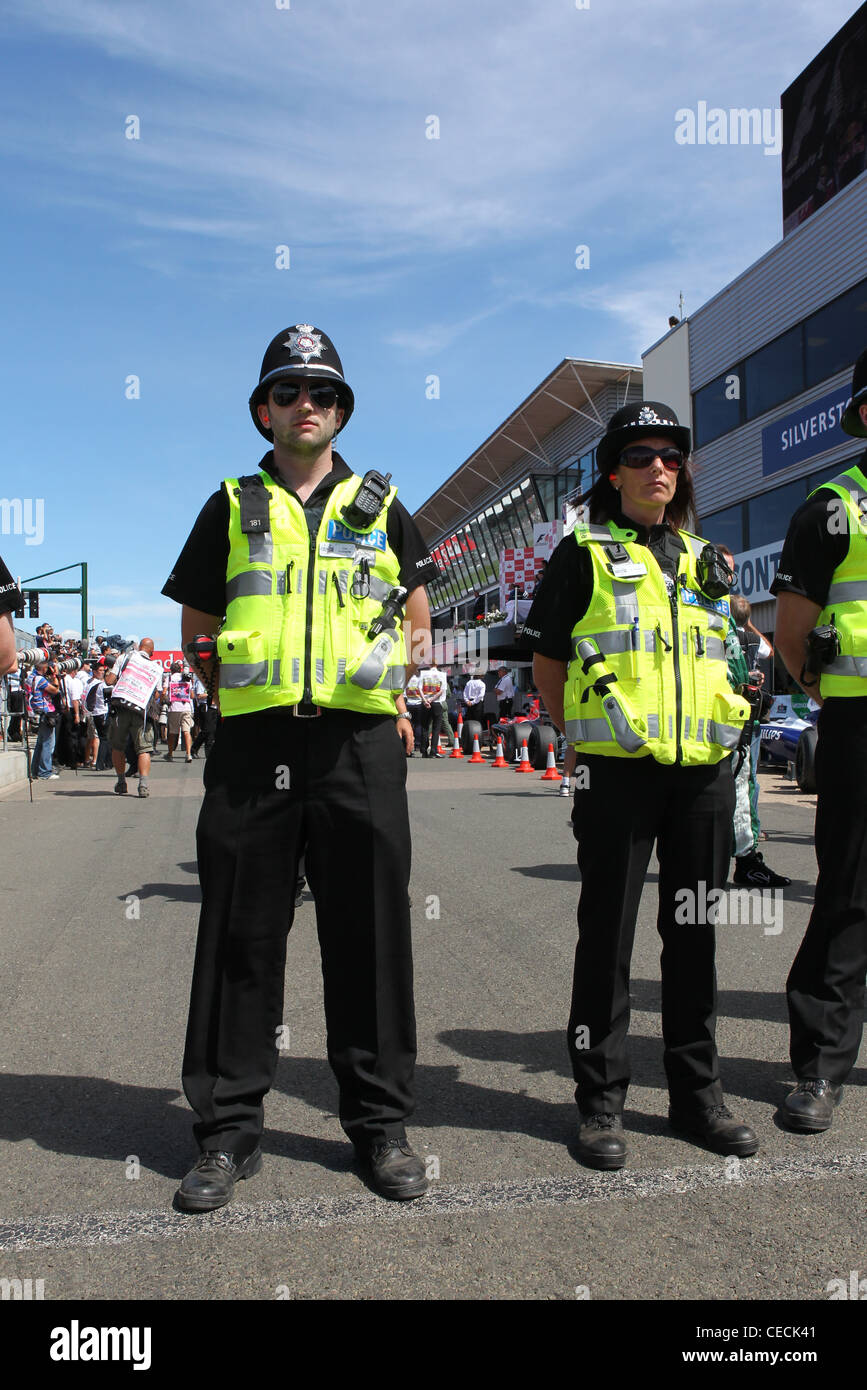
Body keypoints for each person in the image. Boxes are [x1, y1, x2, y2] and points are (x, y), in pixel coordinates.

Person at [162, 324, 438, 1210]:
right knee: (241, 940)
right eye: (287, 392)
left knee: (368, 938)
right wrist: (235, 702)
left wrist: (395, 697)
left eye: (320, 392)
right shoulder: (230, 504)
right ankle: (226, 1132)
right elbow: (198, 627)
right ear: (262, 411)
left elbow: (418, 610)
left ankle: (381, 1127)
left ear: (340, 408)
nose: (304, 404)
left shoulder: (384, 503)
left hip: (358, 747)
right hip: (254, 749)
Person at [523, 401, 757, 1170]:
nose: (659, 467)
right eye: (640, 455)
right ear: (613, 473)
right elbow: (549, 666)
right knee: (608, 940)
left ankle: (697, 1097)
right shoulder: (581, 555)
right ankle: (599, 1104)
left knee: (692, 940)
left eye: (670, 456)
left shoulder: (707, 561)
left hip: (702, 777)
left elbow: (724, 653)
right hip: (617, 774)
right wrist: (584, 741)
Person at [771, 346, 867, 1133]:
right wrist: (824, 696)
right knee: (847, 894)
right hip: (860, 722)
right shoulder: (832, 509)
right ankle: (819, 1068)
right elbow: (792, 637)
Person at [103, 638, 162, 797]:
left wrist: (107, 670)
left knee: (117, 746)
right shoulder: (156, 668)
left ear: (138, 647)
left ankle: (121, 782)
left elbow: (109, 681)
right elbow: (157, 694)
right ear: (152, 651)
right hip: (141, 711)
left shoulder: (124, 658)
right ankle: (143, 785)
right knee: (144, 749)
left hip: (121, 707)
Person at [27, 657, 60, 780]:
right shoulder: (40, 679)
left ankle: (35, 770)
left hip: (36, 711)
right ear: (44, 667)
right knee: (48, 743)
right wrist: (55, 676)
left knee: (40, 743)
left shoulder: (30, 677)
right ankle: (45, 772)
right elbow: (55, 690)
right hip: (45, 712)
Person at [162, 661, 195, 763]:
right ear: (180, 669)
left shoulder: (169, 678)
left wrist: (166, 700)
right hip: (186, 707)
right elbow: (193, 696)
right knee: (186, 731)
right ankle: (188, 754)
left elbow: (164, 692)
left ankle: (170, 753)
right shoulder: (187, 678)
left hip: (174, 708)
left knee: (172, 732)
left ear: (171, 670)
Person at [417, 663, 447, 757]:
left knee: (425, 727)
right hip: (437, 703)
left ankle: (424, 750)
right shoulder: (442, 675)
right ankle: (433, 751)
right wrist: (432, 699)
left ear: (430, 665)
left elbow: (419, 688)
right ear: (437, 665)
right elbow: (442, 690)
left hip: (425, 703)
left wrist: (425, 700)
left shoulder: (423, 673)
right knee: (436, 728)